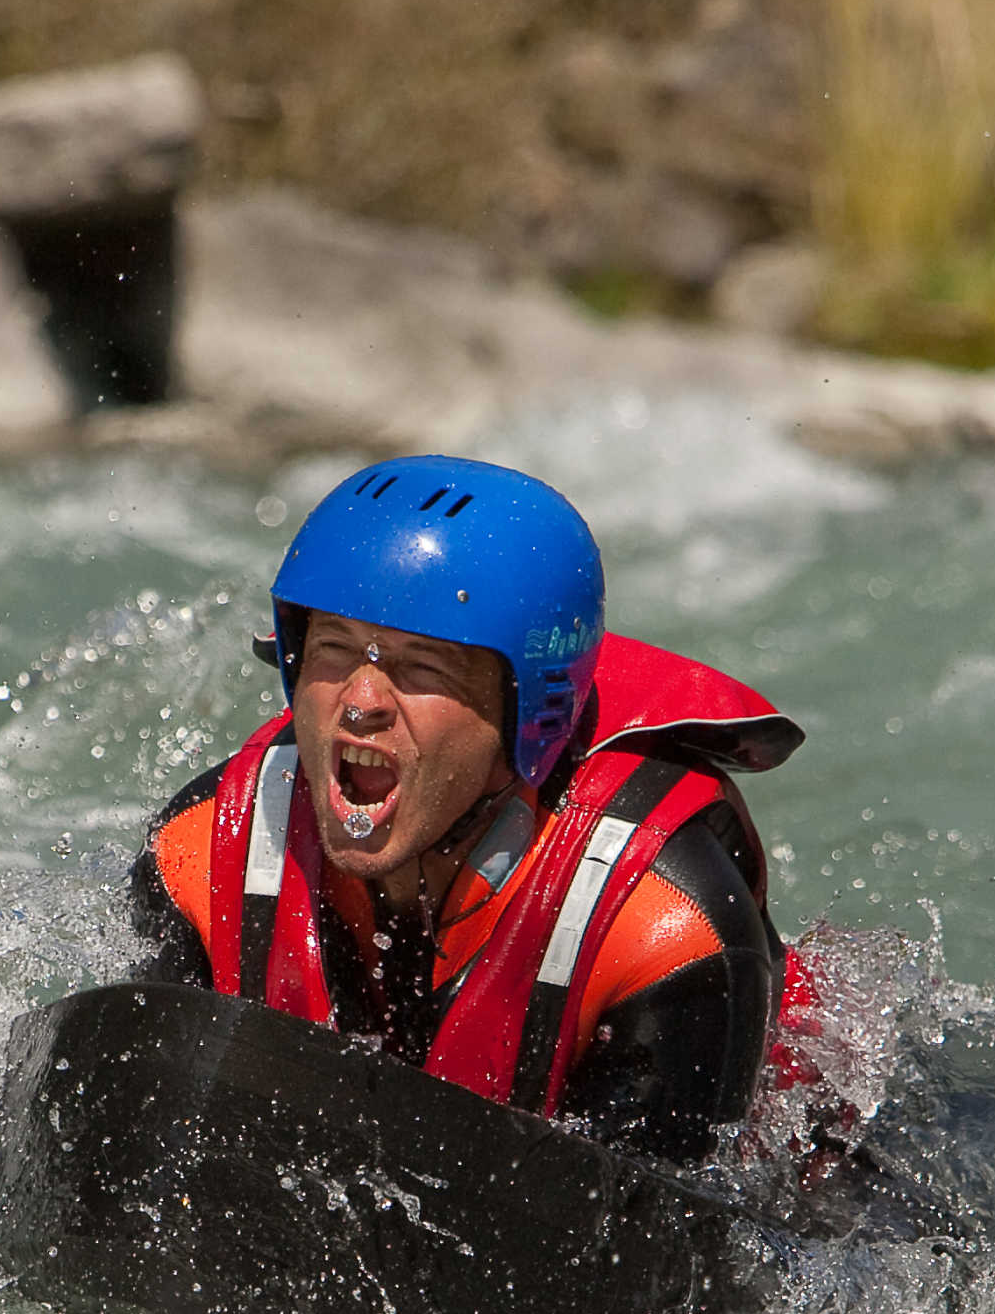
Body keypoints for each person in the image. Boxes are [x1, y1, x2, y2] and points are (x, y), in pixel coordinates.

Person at [128, 455, 802, 1166]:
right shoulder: (197, 849)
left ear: (524, 712)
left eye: (422, 667)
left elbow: (672, 1253)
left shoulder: (664, 930)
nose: (360, 702)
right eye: (334, 649)